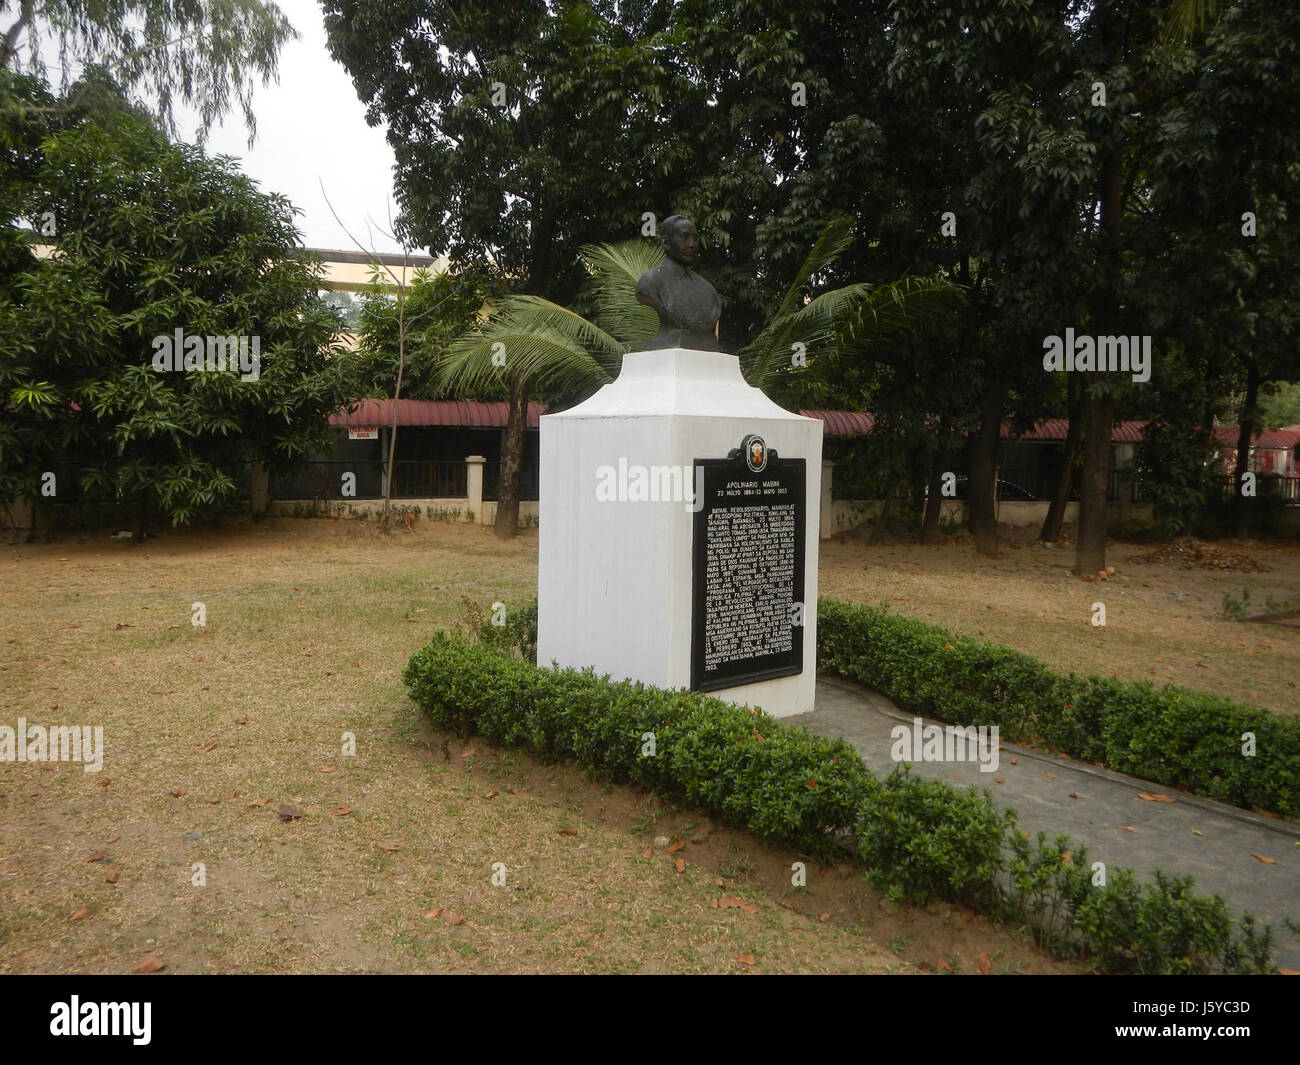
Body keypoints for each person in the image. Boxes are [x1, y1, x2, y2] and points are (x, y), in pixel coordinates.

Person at [635, 215, 723, 351]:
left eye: (695, 238)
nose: (692, 244)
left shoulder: (709, 291)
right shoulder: (649, 283)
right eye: (684, 237)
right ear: (665, 242)